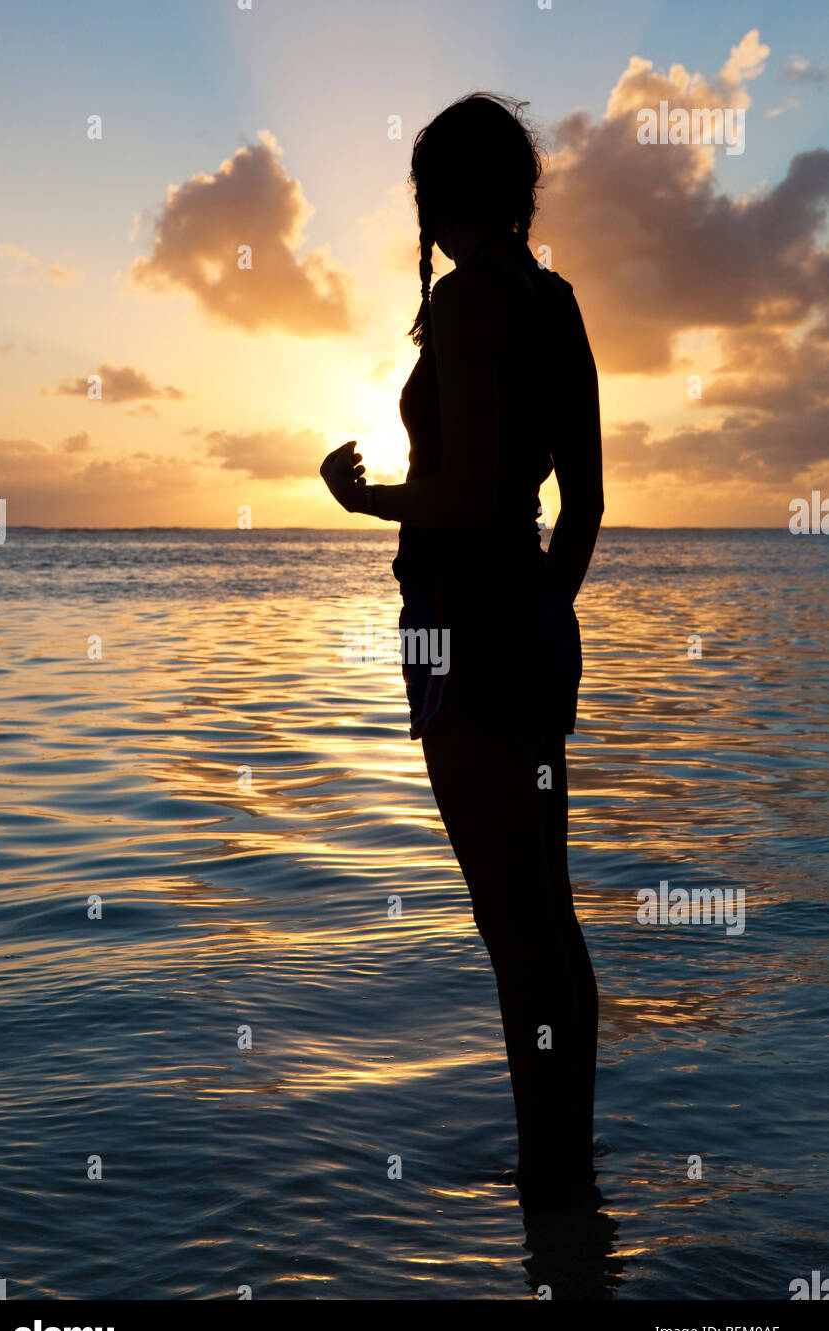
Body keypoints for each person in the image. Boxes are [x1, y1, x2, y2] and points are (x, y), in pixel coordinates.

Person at [321, 92, 604, 1212]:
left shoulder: (466, 300)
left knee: (509, 927)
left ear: (440, 195)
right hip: (530, 622)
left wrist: (364, 499)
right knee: (551, 918)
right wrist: (543, 612)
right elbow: (576, 505)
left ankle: (545, 1182)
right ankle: (564, 1181)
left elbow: (467, 492)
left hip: (459, 624)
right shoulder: (557, 301)